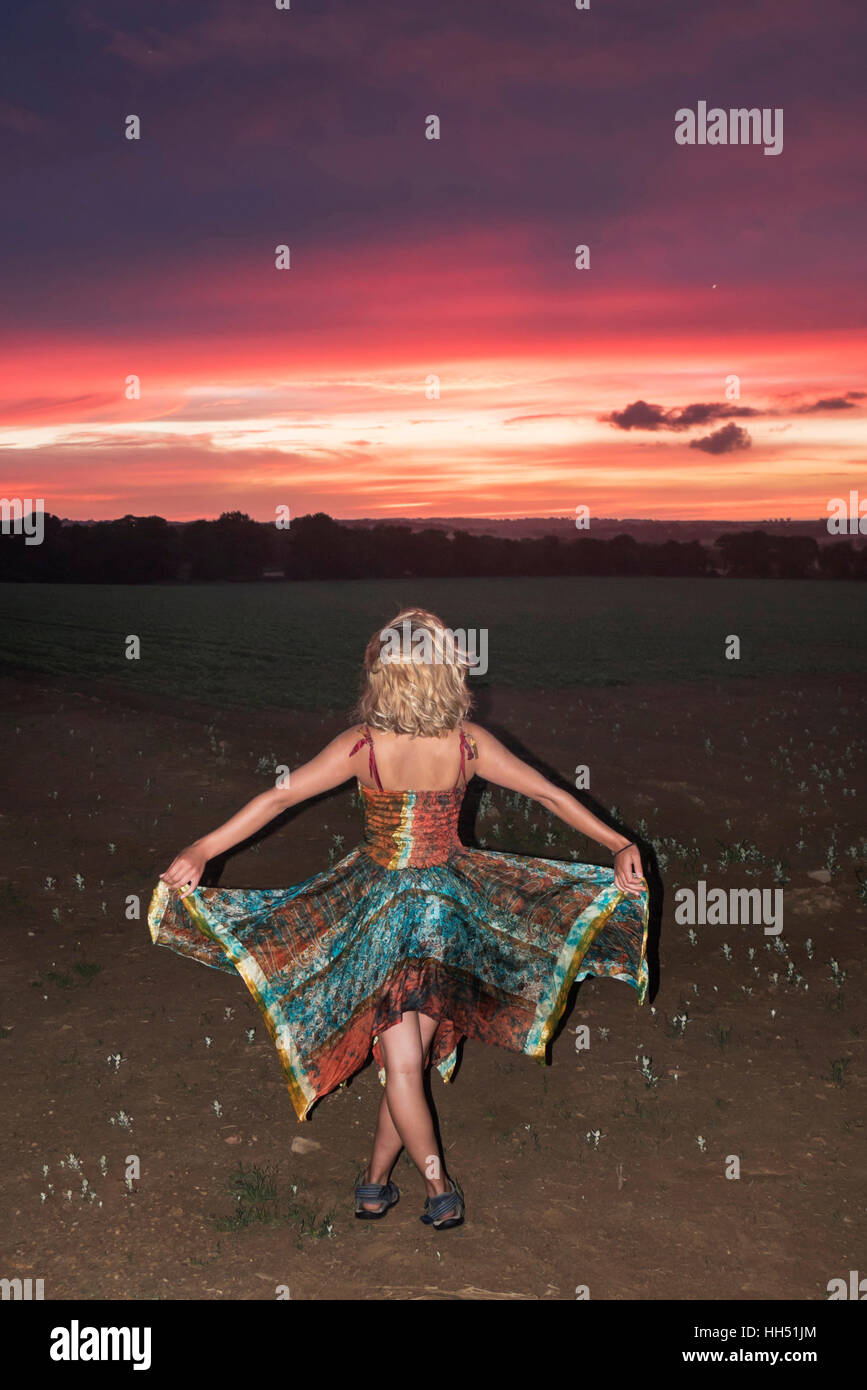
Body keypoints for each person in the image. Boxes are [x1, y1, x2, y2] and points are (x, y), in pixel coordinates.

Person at [150, 607, 649, 1231]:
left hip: (382, 914)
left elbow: (278, 796)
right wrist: (616, 843)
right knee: (405, 1059)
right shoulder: (469, 744)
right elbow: (549, 793)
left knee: (404, 1063)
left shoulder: (363, 747)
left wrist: (203, 847)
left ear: (382, 675)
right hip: (443, 914)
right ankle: (396, 1182)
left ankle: (405, 1183)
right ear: (446, 672)